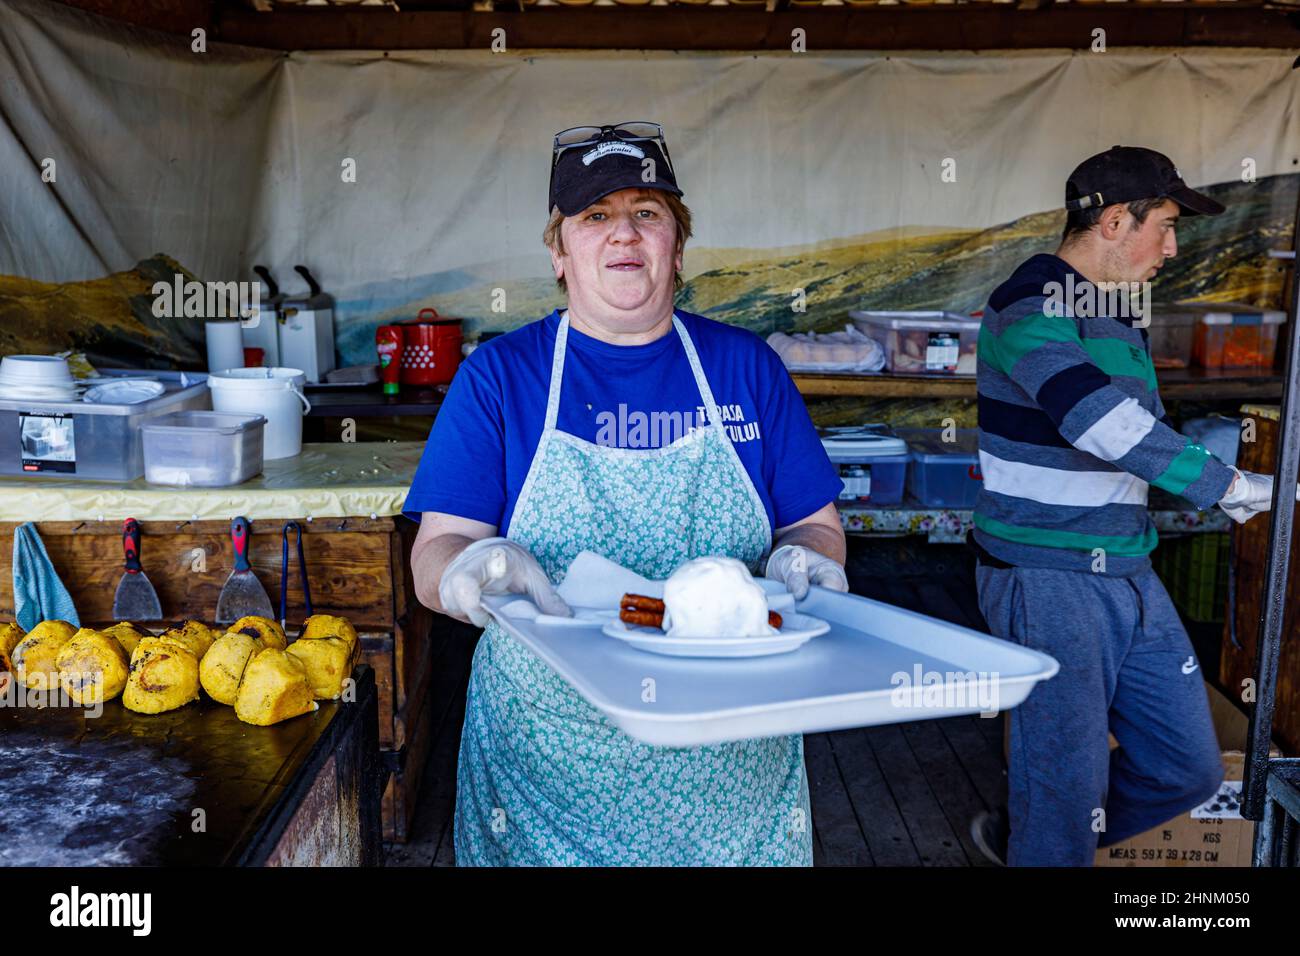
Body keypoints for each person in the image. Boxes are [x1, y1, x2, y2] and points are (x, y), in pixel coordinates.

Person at [403, 122, 849, 865]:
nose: (625, 234)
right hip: (548, 763)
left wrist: (805, 562)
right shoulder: (500, 379)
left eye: (648, 212)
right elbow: (437, 547)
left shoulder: (746, 369)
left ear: (678, 242)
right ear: (558, 250)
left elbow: (814, 525)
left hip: (729, 761)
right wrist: (465, 572)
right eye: (596, 216)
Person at [967, 145, 1297, 866]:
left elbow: (1137, 435)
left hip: (1127, 566)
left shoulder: (1114, 316)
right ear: (1116, 220)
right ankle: (1046, 844)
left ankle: (1038, 843)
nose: (1173, 248)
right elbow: (1099, 424)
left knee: (1188, 769)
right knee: (1064, 788)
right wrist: (1233, 487)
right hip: (1048, 576)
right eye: (1167, 225)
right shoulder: (1032, 301)